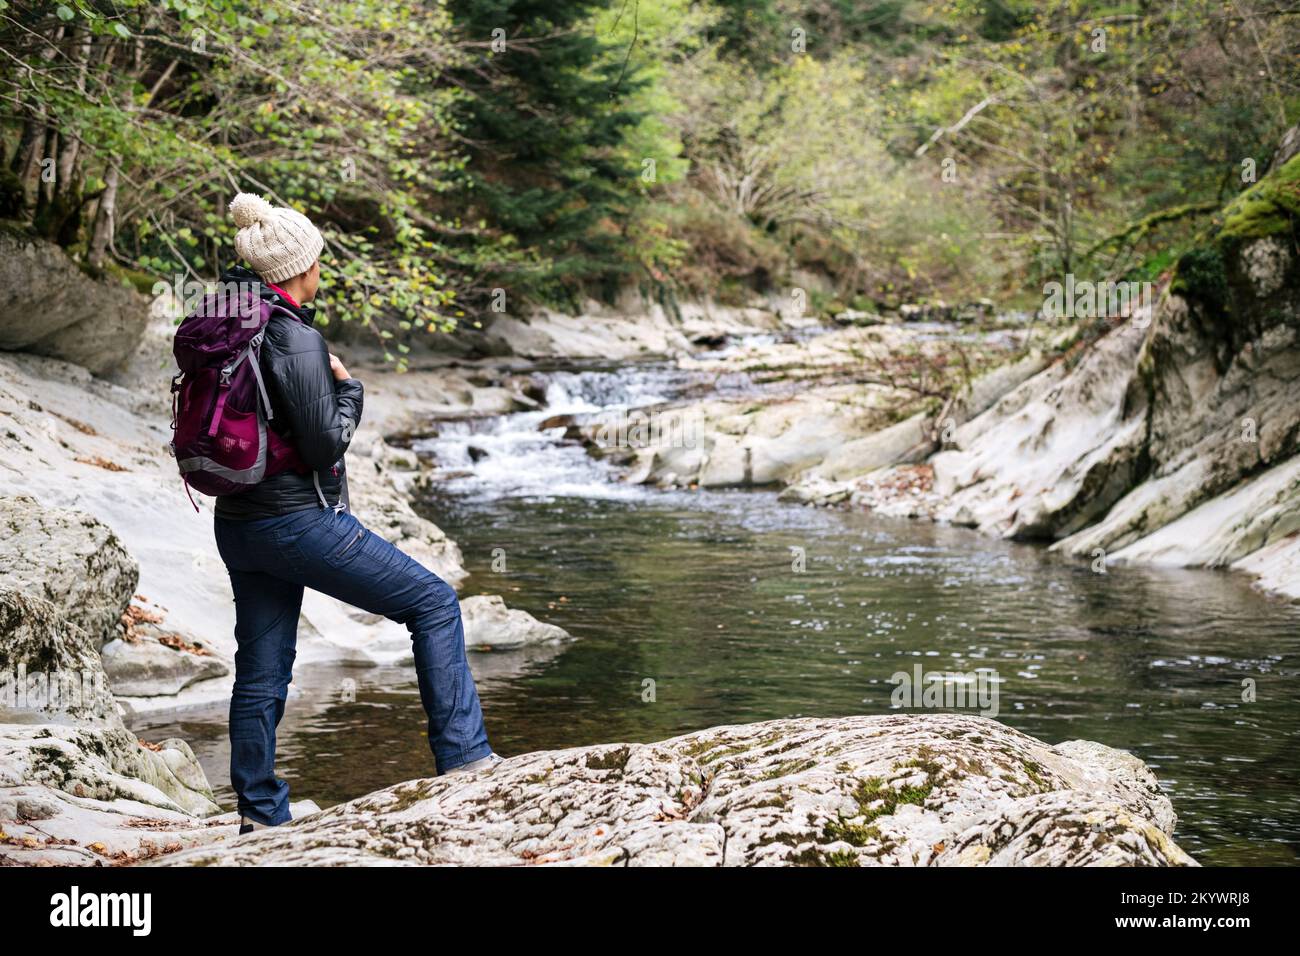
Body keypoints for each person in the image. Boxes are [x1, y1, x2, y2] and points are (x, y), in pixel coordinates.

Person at [209, 193, 499, 835]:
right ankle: (467, 761)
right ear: (296, 270)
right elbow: (323, 444)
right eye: (316, 261)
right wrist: (348, 391)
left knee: (261, 669)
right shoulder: (295, 336)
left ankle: (259, 816)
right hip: (298, 522)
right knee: (432, 603)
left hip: (237, 523)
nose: (321, 271)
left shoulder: (227, 323)